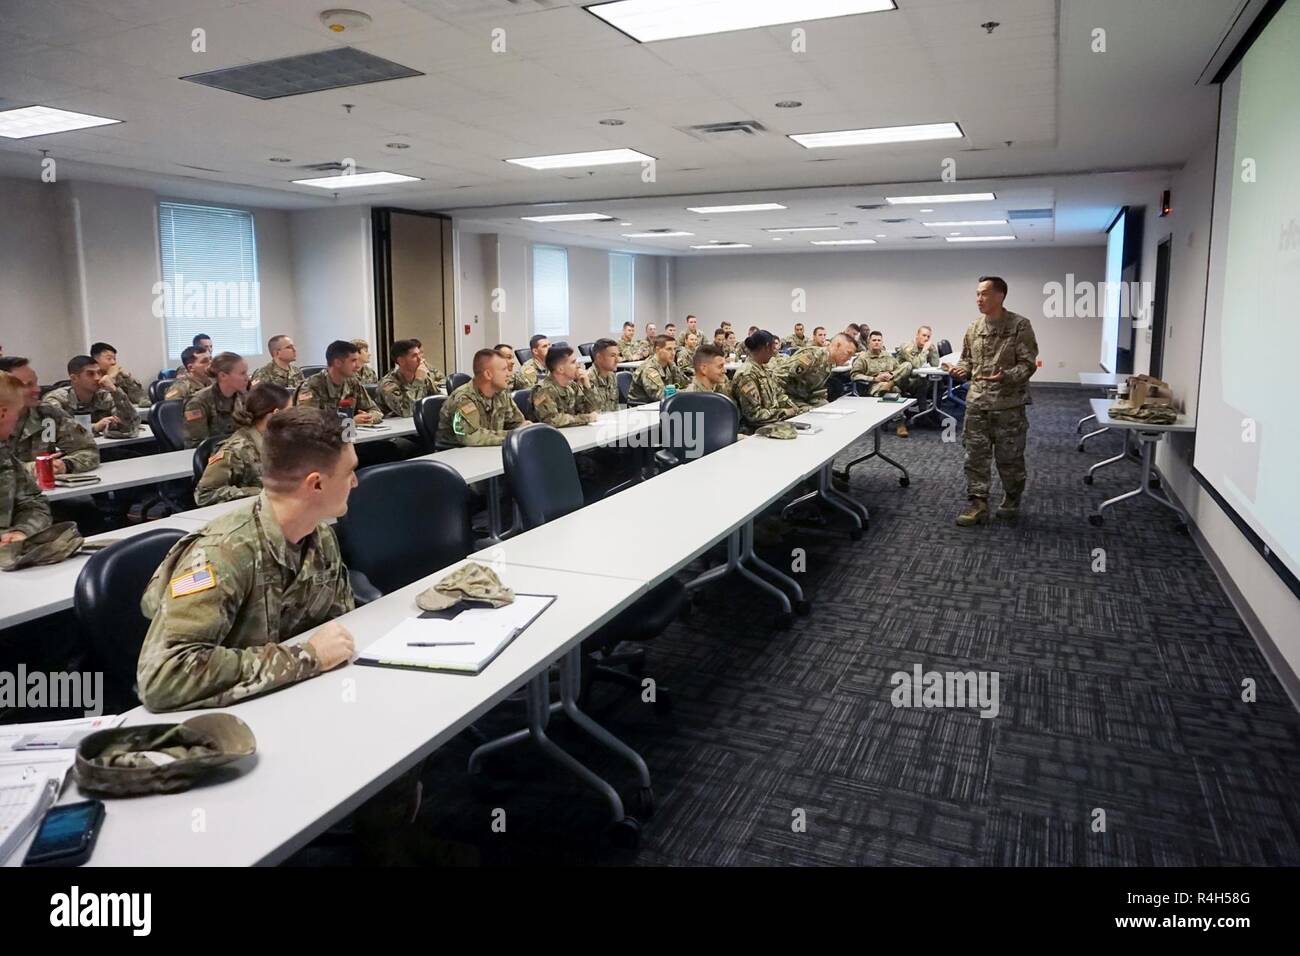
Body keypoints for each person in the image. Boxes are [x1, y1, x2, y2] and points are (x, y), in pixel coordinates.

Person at [136, 407, 357, 711]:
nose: (355, 482)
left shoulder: (320, 537)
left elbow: (339, 625)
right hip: (226, 723)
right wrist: (305, 657)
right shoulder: (220, 555)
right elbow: (163, 677)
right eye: (349, 472)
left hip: (296, 700)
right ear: (316, 484)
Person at [946, 276, 1039, 526]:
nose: (979, 299)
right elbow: (967, 360)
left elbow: (1028, 365)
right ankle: (978, 503)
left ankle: (1012, 498)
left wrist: (1006, 376)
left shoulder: (1019, 325)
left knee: (1009, 457)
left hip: (1008, 405)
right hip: (977, 403)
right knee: (975, 456)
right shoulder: (974, 328)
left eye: (984, 294)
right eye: (977, 294)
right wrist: (960, 370)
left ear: (1000, 296)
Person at [194, 383, 292, 506]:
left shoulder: (281, 441)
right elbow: (204, 495)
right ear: (276, 414)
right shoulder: (236, 449)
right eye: (290, 410)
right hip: (251, 514)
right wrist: (258, 493)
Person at [0, 356, 99, 476]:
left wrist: (65, 465)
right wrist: (34, 468)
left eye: (36, 382)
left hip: (49, 489)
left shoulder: (47, 413)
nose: (37, 389)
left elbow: (88, 450)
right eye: (28, 385)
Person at [437, 349, 532, 447]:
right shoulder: (463, 398)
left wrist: (525, 428)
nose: (509, 374)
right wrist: (513, 434)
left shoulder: (501, 394)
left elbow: (517, 423)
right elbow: (471, 437)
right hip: (454, 455)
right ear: (488, 374)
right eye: (504, 369)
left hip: (486, 451)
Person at [0, 371, 53, 544]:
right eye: (17, 413)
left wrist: (22, 532)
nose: (17, 420)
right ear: (2, 414)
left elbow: (34, 503)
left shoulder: (5, 457)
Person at [45, 355, 141, 436]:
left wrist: (115, 391)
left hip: (106, 448)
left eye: (99, 372)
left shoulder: (104, 395)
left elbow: (133, 422)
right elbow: (52, 431)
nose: (97, 378)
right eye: (90, 374)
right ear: (74, 378)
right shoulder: (55, 399)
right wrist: (94, 427)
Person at [297, 340, 382, 423]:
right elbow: (308, 421)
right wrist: (349, 421)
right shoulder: (311, 386)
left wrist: (369, 418)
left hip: (351, 435)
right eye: (353, 361)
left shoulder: (353, 382)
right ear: (338, 362)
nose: (358, 365)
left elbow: (375, 410)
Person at [732, 330, 798, 431]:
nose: (773, 353)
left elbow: (778, 395)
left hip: (774, 421)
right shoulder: (747, 375)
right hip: (757, 430)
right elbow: (754, 415)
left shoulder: (764, 368)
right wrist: (785, 412)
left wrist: (795, 409)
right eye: (773, 348)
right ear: (766, 347)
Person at [851, 332, 912, 436]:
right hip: (874, 385)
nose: (876, 343)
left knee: (907, 365)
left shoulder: (887, 355)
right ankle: (900, 424)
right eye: (874, 340)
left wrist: (891, 375)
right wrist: (874, 378)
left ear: (882, 342)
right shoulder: (863, 357)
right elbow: (854, 375)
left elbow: (898, 368)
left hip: (890, 380)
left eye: (879, 340)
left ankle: (891, 382)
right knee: (894, 391)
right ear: (869, 342)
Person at [183, 351, 249, 448]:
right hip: (213, 458)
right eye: (242, 373)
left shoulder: (244, 397)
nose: (247, 378)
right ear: (223, 376)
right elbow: (197, 445)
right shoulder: (198, 403)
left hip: (241, 452)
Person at [779, 333, 858, 411]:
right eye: (848, 353)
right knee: (810, 413)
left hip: (802, 398)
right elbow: (779, 377)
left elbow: (815, 391)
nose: (849, 358)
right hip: (786, 397)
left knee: (828, 409)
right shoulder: (812, 355)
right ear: (837, 346)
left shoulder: (828, 364)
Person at [531, 346, 598, 427]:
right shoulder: (542, 390)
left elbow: (592, 411)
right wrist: (586, 418)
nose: (578, 366)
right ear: (560, 369)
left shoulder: (572, 386)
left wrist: (587, 386)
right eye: (573, 362)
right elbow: (552, 420)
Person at [377, 339, 444, 417]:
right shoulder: (388, 384)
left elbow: (441, 400)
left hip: (418, 421)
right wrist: (418, 381)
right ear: (401, 361)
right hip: (396, 426)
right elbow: (407, 411)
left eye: (420, 354)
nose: (420, 359)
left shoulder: (424, 378)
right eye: (414, 356)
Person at [629, 335, 687, 404]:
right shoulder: (649, 369)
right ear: (657, 350)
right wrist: (687, 393)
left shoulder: (670, 364)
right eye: (669, 349)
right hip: (641, 409)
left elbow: (685, 383)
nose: (673, 353)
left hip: (661, 405)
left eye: (674, 349)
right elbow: (661, 395)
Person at [90, 342, 149, 407]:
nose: (113, 362)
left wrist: (127, 378)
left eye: (114, 359)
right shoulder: (91, 378)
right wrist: (110, 378)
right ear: (95, 360)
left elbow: (142, 399)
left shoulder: (118, 377)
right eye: (109, 359)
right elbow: (105, 404)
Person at [585, 338, 622, 411]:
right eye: (612, 356)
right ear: (599, 357)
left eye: (618, 355)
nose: (617, 360)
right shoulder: (587, 379)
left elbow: (616, 406)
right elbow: (591, 410)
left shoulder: (612, 376)